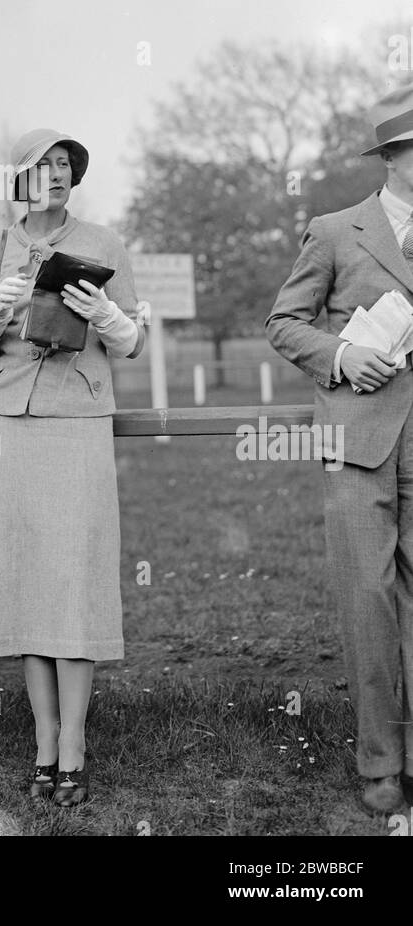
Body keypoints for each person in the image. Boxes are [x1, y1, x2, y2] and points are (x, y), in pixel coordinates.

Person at [0, 128, 146, 806]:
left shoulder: (103, 244)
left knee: (73, 578)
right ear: (21, 181)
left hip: (78, 422)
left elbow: (132, 342)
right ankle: (43, 741)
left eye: (65, 166)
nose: (57, 176)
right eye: (44, 167)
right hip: (12, 425)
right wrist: (0, 303)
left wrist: (105, 313)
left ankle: (75, 745)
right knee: (24, 581)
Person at [267, 80, 413, 815]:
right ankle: (381, 763)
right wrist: (341, 357)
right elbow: (284, 324)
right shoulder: (334, 230)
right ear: (394, 155)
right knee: (368, 601)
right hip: (357, 438)